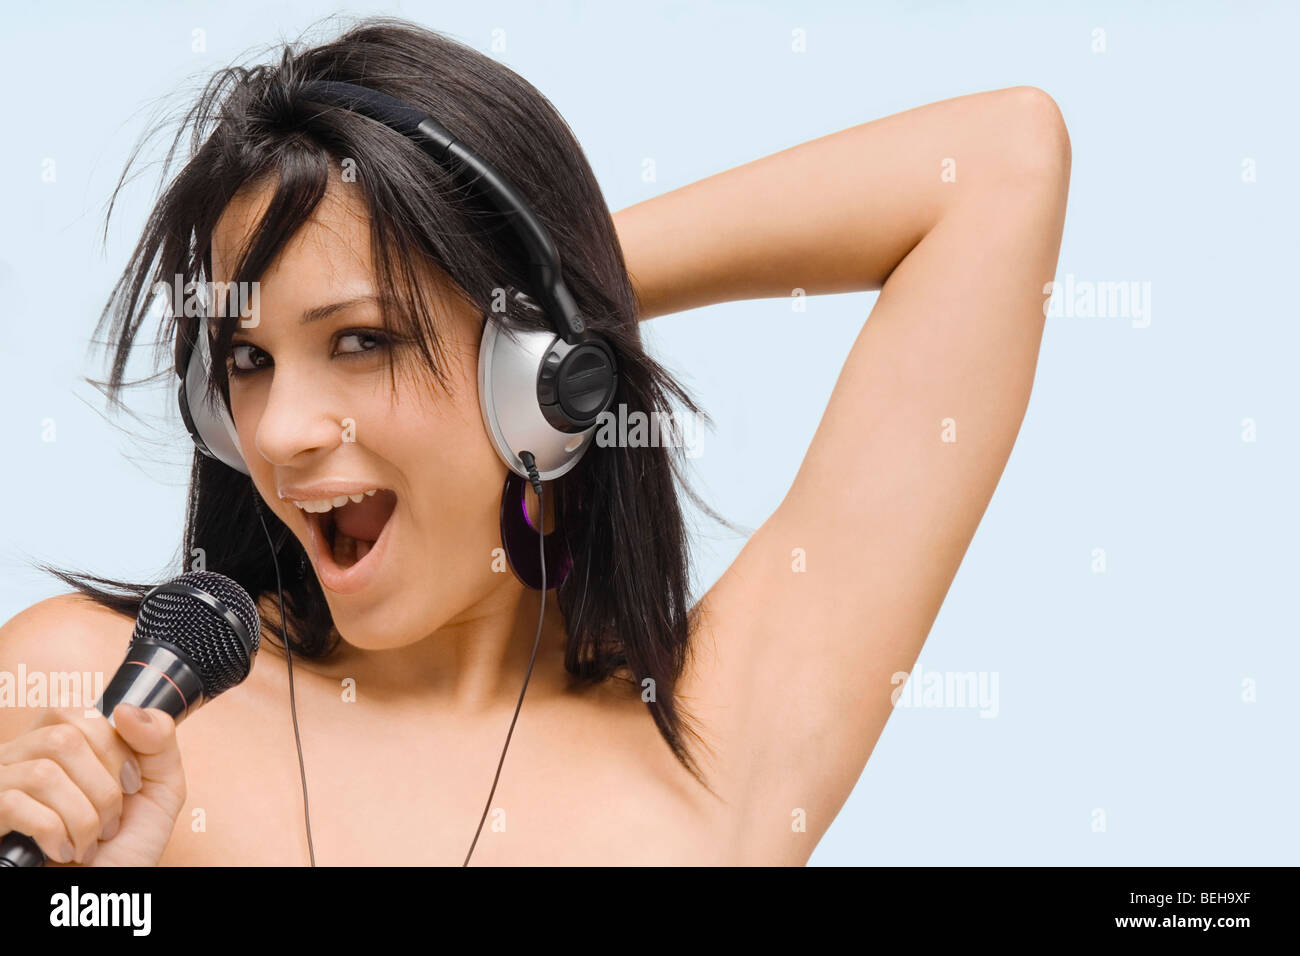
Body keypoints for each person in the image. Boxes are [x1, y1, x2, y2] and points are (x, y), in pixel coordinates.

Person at [0, 17, 1070, 865]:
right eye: (247, 360)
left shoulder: (715, 743)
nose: (277, 430)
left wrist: (550, 299)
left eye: (361, 338)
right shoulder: (96, 701)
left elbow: (996, 163)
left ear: (530, 385)